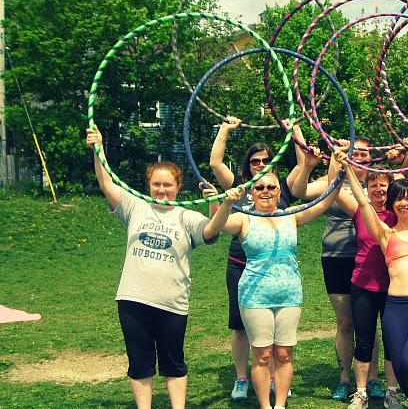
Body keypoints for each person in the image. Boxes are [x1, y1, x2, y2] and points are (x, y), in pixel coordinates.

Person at [86, 126, 237, 409]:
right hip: (134, 299)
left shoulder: (187, 216)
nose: (162, 190)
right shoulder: (135, 206)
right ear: (148, 186)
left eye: (168, 185)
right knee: (140, 361)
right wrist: (99, 148)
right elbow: (106, 182)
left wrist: (224, 204)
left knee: (173, 362)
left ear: (179, 187)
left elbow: (211, 231)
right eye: (157, 184)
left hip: (172, 302)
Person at [214, 149, 342, 409]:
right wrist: (225, 202)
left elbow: (325, 202)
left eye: (271, 187)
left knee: (284, 354)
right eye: (259, 187)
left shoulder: (289, 216)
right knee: (261, 355)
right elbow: (217, 226)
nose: (265, 191)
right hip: (255, 296)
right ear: (251, 191)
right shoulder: (243, 218)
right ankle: (265, 405)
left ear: (279, 191)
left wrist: (338, 171)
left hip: (289, 295)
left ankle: (280, 404)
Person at [334, 140, 408, 409]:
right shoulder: (385, 234)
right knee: (400, 367)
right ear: (393, 203)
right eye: (399, 199)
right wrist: (348, 168)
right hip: (396, 307)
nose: (404, 203)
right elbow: (364, 205)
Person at [209, 117, 300, 400]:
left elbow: (305, 163)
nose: (260, 165)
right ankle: (241, 378)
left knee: (275, 340)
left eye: (265, 161)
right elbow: (215, 163)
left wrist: (293, 131)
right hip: (241, 264)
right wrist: (225, 129)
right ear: (247, 164)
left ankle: (273, 378)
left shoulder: (280, 187)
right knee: (240, 326)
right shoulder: (238, 185)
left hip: (277, 266)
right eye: (255, 161)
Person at [290, 135, 386, 401]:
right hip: (337, 257)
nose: (362, 157)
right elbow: (298, 191)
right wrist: (330, 158)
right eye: (357, 152)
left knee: (369, 324)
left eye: (366, 154)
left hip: (369, 258)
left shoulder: (379, 185)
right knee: (345, 322)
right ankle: (345, 378)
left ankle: (373, 378)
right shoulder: (332, 182)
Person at [325, 143, 403, 409]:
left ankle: (392, 391)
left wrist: (403, 158)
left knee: (393, 339)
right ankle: (360, 392)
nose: (379, 190)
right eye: (373, 186)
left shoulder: (399, 213)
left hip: (393, 286)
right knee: (364, 338)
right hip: (362, 284)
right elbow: (334, 189)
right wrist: (340, 163)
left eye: (384, 185)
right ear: (367, 189)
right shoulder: (360, 210)